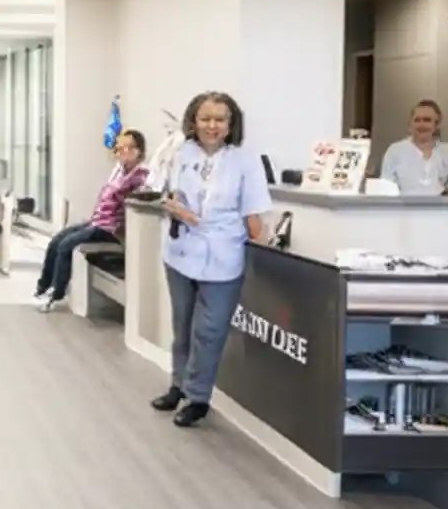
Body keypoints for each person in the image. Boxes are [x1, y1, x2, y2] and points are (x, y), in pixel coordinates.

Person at [151, 92, 271, 427]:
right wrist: (173, 207)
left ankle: (198, 398)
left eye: (220, 119)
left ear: (231, 124)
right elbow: (162, 190)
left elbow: (254, 218)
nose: (212, 126)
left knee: (211, 329)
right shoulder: (179, 152)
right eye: (205, 118)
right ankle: (178, 385)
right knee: (183, 326)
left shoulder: (246, 160)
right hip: (180, 251)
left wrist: (256, 234)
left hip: (223, 253)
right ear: (193, 120)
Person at [34, 130, 149, 312]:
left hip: (111, 229)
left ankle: (56, 294)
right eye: (118, 149)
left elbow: (132, 205)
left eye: (125, 148)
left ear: (138, 151)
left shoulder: (140, 177)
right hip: (98, 222)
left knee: (66, 245)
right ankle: (43, 286)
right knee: (57, 240)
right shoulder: (118, 172)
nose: (120, 153)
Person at [379, 99, 448, 196]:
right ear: (411, 123)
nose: (421, 125)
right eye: (417, 120)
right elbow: (385, 190)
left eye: (427, 120)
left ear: (437, 124)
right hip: (402, 210)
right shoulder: (395, 151)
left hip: (441, 210)